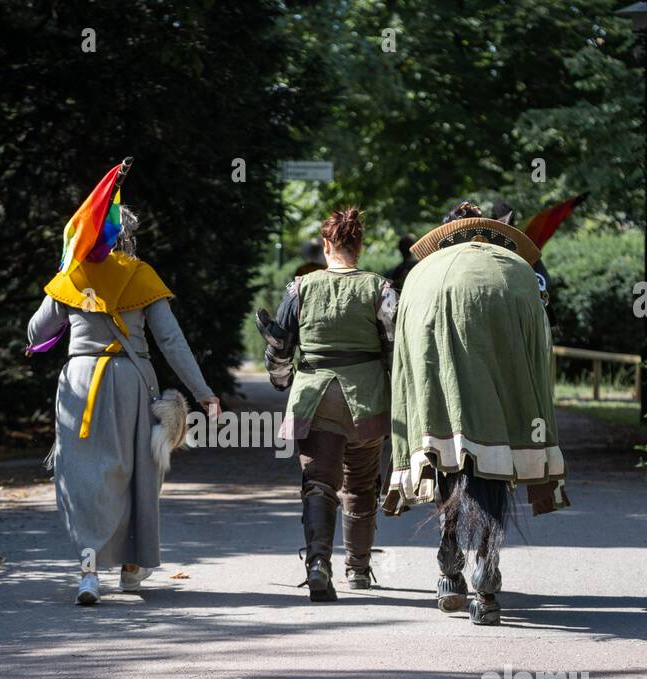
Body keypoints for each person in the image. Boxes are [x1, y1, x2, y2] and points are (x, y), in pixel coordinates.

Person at [28, 168, 220, 606]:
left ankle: (88, 573)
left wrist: (63, 272)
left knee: (83, 478)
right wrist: (203, 390)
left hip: (79, 385)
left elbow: (36, 334)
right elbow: (171, 341)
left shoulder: (72, 276)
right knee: (138, 475)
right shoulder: (140, 276)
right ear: (126, 237)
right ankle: (132, 569)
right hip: (133, 383)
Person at [384, 201, 568, 625]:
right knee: (495, 453)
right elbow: (540, 340)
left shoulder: (422, 274)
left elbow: (405, 351)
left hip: (439, 381)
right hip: (502, 379)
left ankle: (450, 561)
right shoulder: (520, 270)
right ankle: (486, 569)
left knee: (451, 448)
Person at [258, 208, 397, 600]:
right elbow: (395, 348)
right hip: (366, 399)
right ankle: (359, 568)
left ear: (326, 246)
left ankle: (319, 563)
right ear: (360, 246)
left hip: (314, 397)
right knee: (361, 484)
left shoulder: (300, 288)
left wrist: (282, 380)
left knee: (318, 482)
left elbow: (280, 346)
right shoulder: (380, 289)